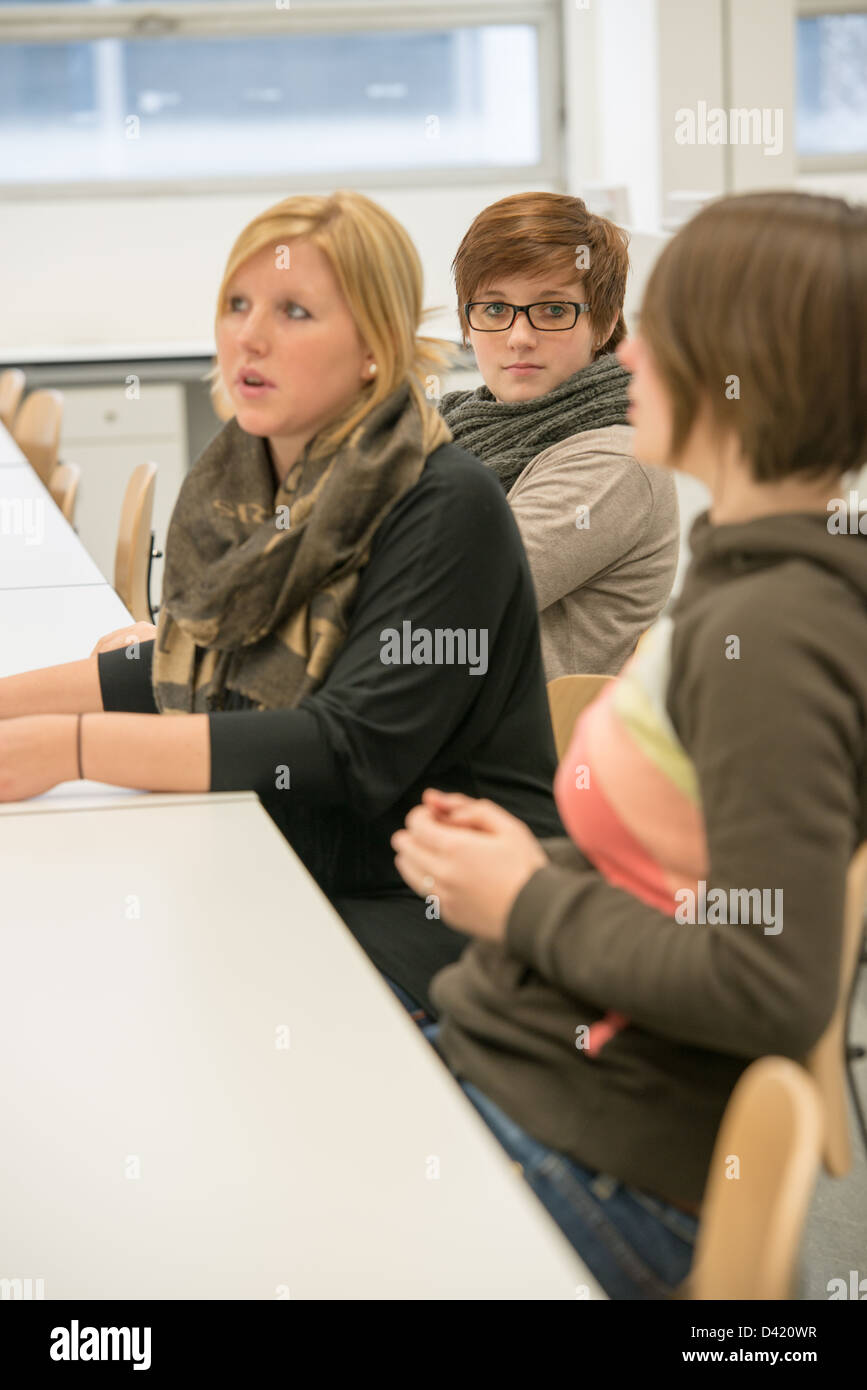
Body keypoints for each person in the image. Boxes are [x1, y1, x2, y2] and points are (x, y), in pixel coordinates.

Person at [392, 190, 867, 1298]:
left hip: (610, 1150)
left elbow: (772, 980)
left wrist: (522, 898)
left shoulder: (775, 629)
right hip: (558, 1067)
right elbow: (672, 881)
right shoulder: (750, 587)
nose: (634, 348)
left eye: (671, 322)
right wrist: (530, 865)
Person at [0, 190, 564, 1017]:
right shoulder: (251, 478)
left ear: (375, 345)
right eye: (237, 305)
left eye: (294, 311)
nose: (248, 336)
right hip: (291, 850)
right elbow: (185, 664)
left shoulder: (444, 504)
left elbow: (344, 748)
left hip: (425, 904)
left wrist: (71, 750)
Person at [440, 192, 679, 680]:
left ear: (605, 322)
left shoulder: (616, 460)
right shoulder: (454, 426)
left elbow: (445, 601)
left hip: (501, 746)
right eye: (494, 309)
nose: (519, 336)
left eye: (552, 310)